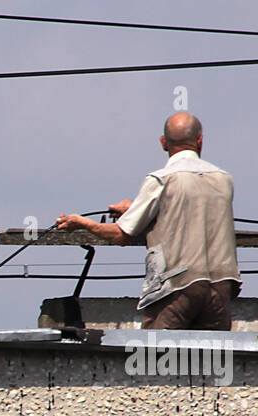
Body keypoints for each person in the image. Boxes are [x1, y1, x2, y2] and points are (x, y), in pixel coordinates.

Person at [55, 113, 241, 330]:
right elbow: (188, 210)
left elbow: (122, 234)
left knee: (158, 358)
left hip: (179, 285)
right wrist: (135, 208)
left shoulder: (162, 179)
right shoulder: (223, 179)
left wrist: (82, 223)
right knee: (210, 360)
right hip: (221, 286)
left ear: (163, 143)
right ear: (200, 140)